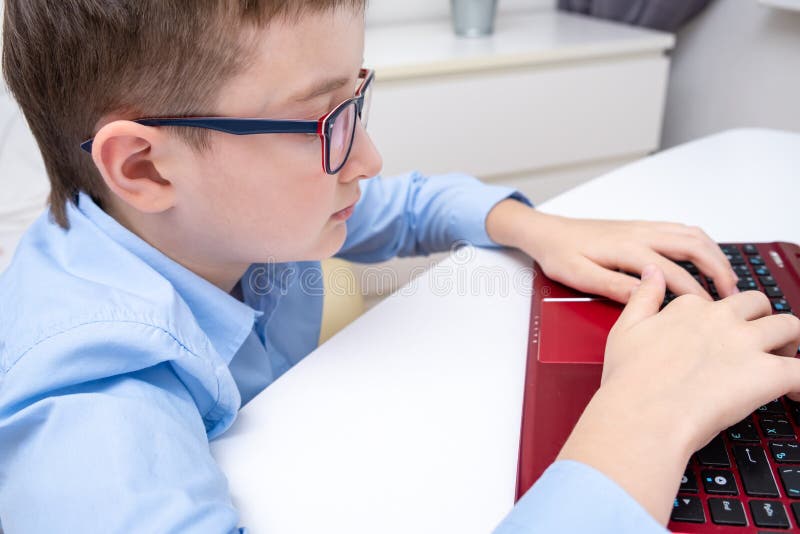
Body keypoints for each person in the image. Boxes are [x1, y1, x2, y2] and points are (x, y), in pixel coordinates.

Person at [0, 1, 798, 532]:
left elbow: (402, 203)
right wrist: (646, 416)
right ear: (143, 166)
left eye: (358, 101)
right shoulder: (93, 411)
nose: (369, 157)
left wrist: (537, 227)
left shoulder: (209, 222)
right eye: (325, 122)